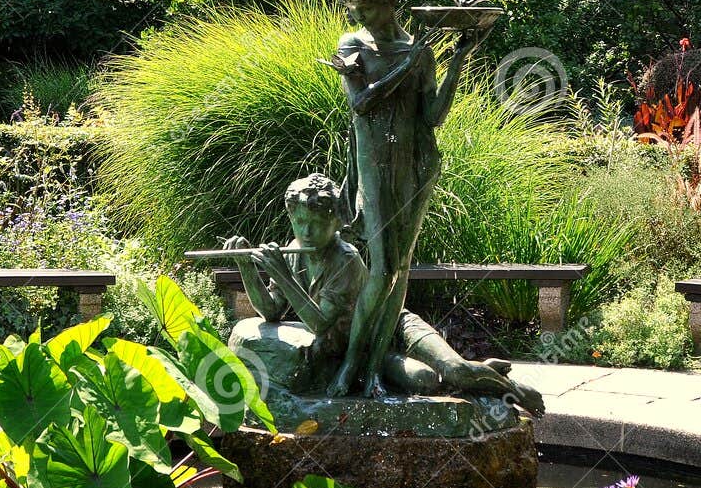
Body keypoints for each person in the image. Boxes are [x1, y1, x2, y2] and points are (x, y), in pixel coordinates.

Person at [226, 174, 544, 414]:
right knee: (425, 382)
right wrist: (247, 269)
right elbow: (270, 311)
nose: (306, 232)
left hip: (395, 329)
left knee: (454, 371)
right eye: (299, 222)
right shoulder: (295, 252)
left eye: (316, 224)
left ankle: (511, 389)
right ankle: (479, 373)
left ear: (336, 222)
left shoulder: (345, 259)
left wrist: (282, 275)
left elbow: (320, 324)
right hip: (366, 352)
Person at [325, 0, 483, 397]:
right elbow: (359, 104)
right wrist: (404, 68)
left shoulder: (419, 50)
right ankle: (350, 367)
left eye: (367, 5)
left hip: (416, 165)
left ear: (389, 1)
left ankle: (374, 369)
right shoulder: (352, 45)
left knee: (402, 269)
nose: (358, 13)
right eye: (352, 5)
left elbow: (432, 116)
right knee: (382, 269)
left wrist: (454, 63)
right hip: (374, 168)